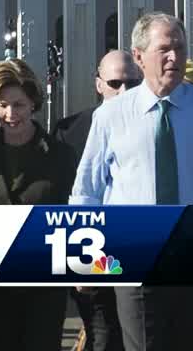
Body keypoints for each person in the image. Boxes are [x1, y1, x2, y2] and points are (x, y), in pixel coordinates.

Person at [72, 13, 193, 351]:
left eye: (180, 49)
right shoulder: (111, 116)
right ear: (139, 56)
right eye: (164, 49)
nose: (174, 57)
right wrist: (81, 261)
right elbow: (87, 191)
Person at [0, 59, 75, 350]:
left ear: (33, 103)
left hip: (43, 288)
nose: (10, 114)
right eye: (2, 104)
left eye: (19, 105)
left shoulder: (62, 156)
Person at [54, 50, 140, 351]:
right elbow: (67, 196)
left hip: (139, 245)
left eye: (133, 82)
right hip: (92, 247)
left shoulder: (159, 124)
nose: (124, 90)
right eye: (116, 82)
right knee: (103, 335)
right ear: (99, 84)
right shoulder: (69, 131)